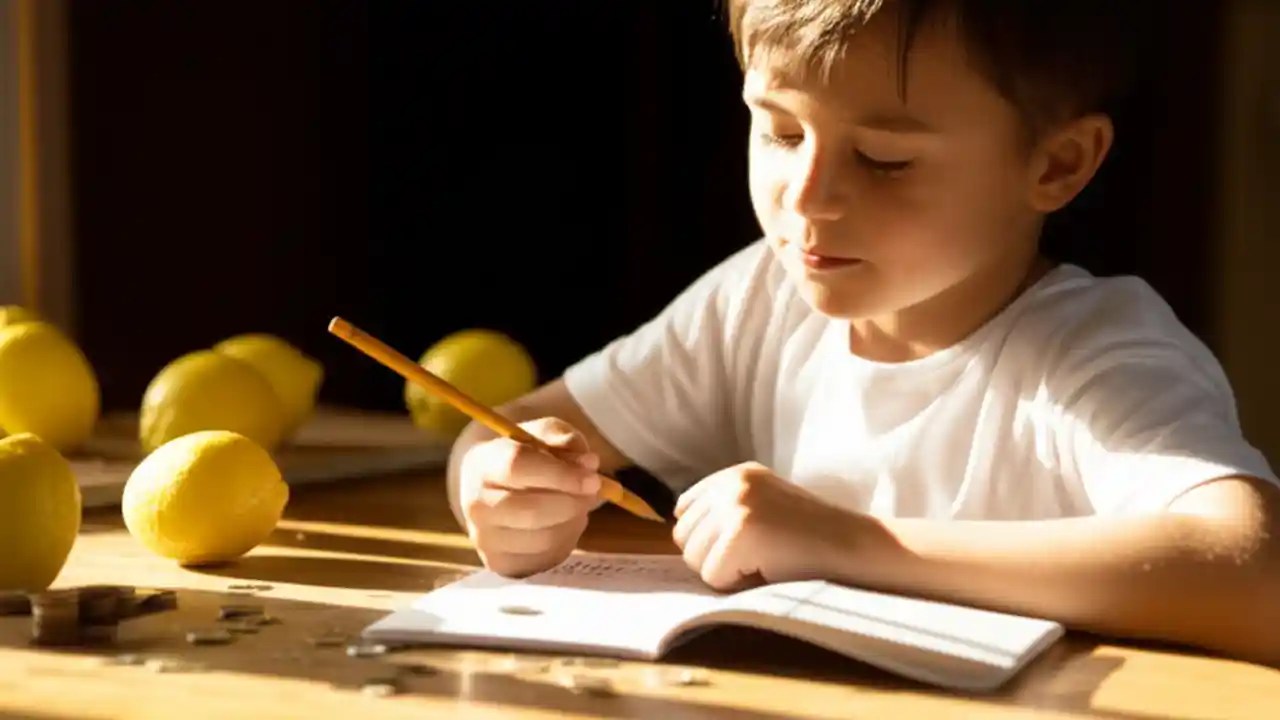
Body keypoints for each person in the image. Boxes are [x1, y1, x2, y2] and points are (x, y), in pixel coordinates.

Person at [446, 0, 1280, 664]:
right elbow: (502, 437)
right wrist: (503, 490)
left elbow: (1256, 578)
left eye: (884, 159)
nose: (806, 197)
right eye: (779, 131)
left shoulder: (1093, 353)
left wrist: (849, 543)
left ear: (1057, 164)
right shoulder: (757, 300)